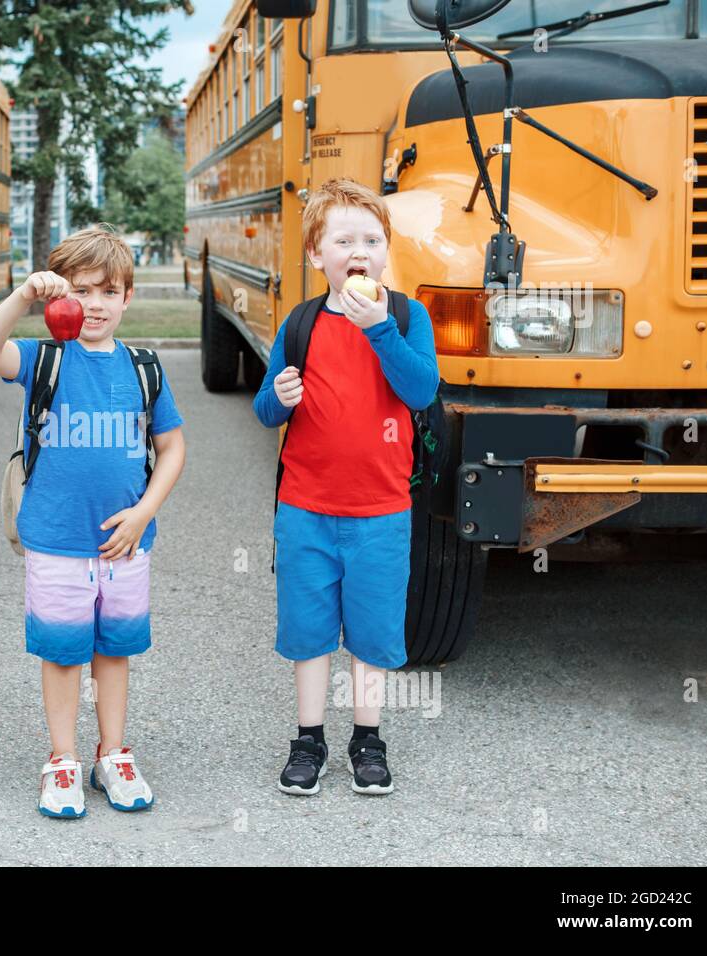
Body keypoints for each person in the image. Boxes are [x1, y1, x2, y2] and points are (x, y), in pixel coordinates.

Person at [0, 225, 186, 819]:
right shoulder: (43, 360)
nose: (94, 303)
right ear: (60, 298)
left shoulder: (144, 368)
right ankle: (62, 758)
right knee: (64, 654)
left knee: (113, 652)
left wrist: (145, 512)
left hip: (125, 543)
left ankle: (112, 753)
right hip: (58, 542)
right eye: (80, 290)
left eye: (107, 290)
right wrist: (21, 298)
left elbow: (172, 448)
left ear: (127, 297)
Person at [253, 178, 439, 797]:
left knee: (372, 630)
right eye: (343, 239)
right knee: (308, 632)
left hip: (382, 511)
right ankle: (309, 737)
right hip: (305, 508)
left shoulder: (409, 318)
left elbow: (421, 391)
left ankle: (367, 737)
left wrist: (381, 328)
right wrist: (277, 399)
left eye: (371, 239)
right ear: (317, 255)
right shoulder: (301, 323)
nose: (358, 248)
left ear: (385, 253)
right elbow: (264, 409)